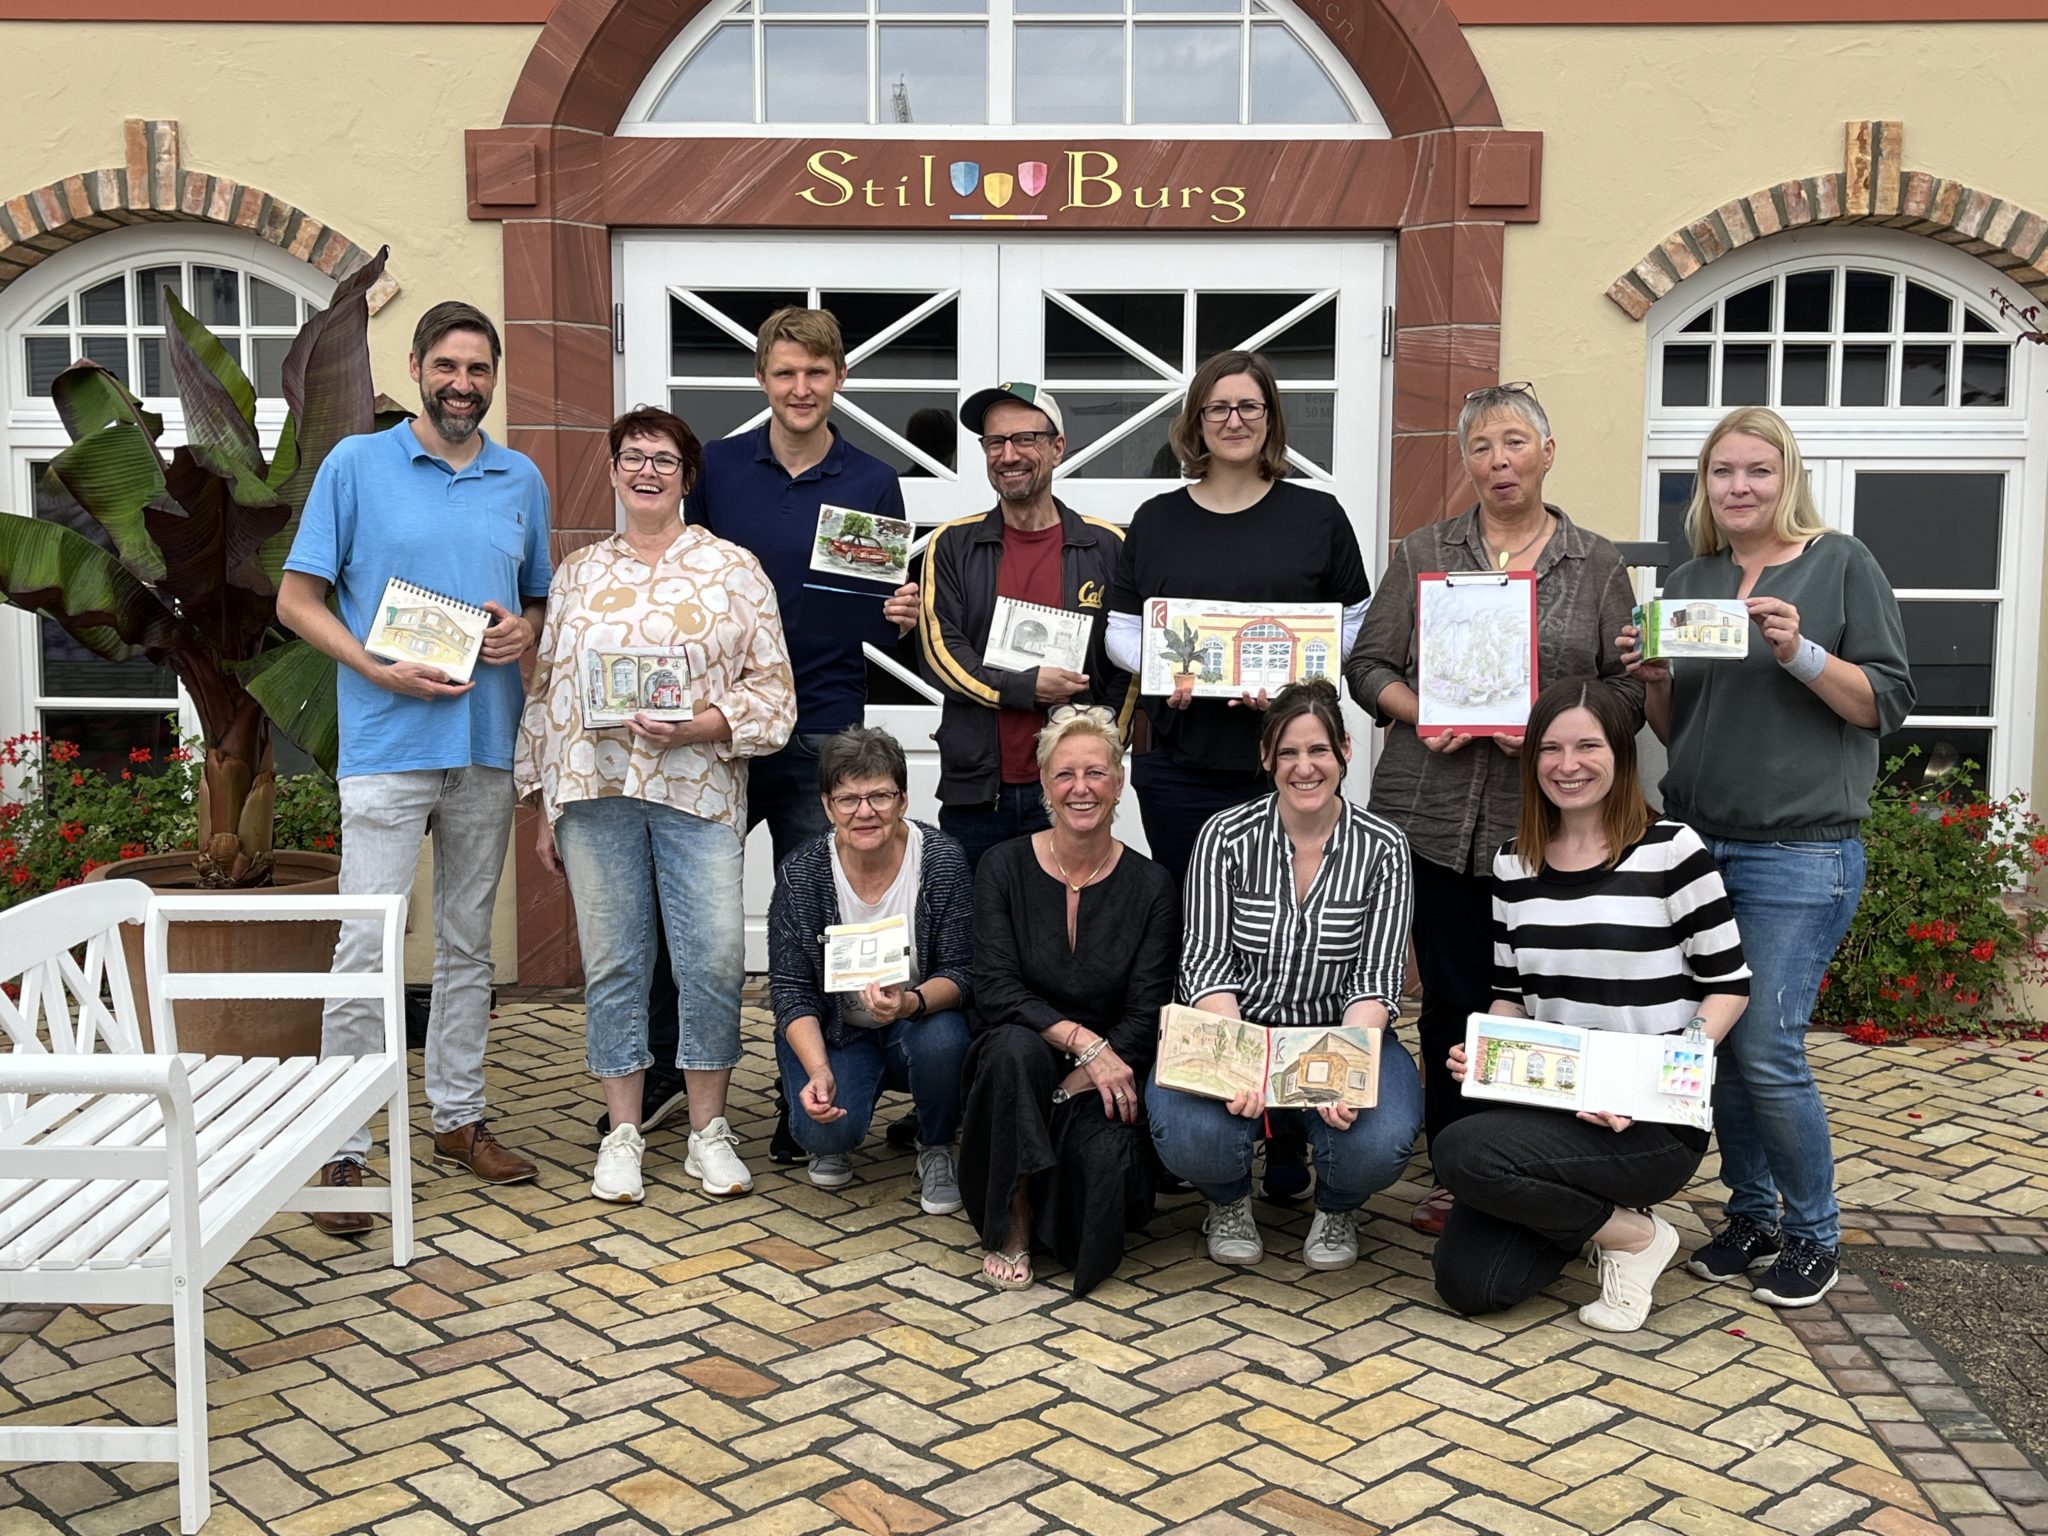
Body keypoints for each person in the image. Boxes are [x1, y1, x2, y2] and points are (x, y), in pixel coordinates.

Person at [609, 307, 918, 1159]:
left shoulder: (873, 482)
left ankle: (812, 1091)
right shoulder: (719, 471)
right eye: (785, 373)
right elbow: (673, 568)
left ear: (840, 379)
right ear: (762, 379)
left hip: (822, 727)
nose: (801, 389)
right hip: (712, 729)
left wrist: (904, 613)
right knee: (684, 910)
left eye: (816, 374)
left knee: (819, 916)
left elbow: (884, 623)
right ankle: (672, 1070)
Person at [1620, 406, 1912, 1307]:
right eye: (1722, 473)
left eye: (1757, 471)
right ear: (1703, 485)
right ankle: (1749, 1216)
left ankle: (1813, 1232)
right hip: (1698, 842)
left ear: (1787, 477)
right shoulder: (1697, 577)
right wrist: (1658, 683)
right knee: (1722, 1044)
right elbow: (1683, 733)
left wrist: (1801, 650)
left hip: (1801, 850)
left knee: (1770, 1047)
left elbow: (1886, 705)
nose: (1739, 487)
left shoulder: (1841, 562)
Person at [1344, 380, 1643, 1237]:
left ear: (1548, 453)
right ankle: (1454, 1167)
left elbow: (1625, 691)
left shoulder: (1597, 563)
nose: (1498, 461)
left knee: (1546, 997)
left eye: (1515, 443)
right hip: (1434, 816)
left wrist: (1554, 729)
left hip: (1549, 824)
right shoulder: (1422, 550)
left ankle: (1539, 1159)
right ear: (1466, 461)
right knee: (1451, 998)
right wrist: (1419, 711)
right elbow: (1369, 664)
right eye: (1481, 447)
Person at [278, 300, 553, 1231]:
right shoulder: (356, 464)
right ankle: (343, 1145)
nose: (463, 385)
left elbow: (537, 603)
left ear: (494, 376)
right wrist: (371, 663)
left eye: (479, 370)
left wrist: (527, 630)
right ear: (418, 366)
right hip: (387, 748)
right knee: (367, 943)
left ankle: (460, 1119)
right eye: (448, 367)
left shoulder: (521, 478)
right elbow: (296, 600)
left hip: (483, 744)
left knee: (469, 945)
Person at [516, 406, 795, 1203]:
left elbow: (773, 694)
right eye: (633, 457)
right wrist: (543, 803)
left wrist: (700, 726)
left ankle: (709, 1130)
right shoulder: (577, 575)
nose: (647, 470)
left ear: (687, 476)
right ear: (611, 472)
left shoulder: (734, 570)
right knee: (614, 966)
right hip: (595, 797)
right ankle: (625, 1132)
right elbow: (549, 696)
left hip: (696, 789)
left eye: (664, 459)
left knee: (708, 961)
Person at [1430, 678, 1750, 1331]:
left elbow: (1729, 986)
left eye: (1586, 746)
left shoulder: (1672, 852)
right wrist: (1487, 1047)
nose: (1567, 765)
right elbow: (1512, 996)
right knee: (1472, 1286)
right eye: (1550, 748)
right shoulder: (1514, 866)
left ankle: (1631, 1235)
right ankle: (1613, 1227)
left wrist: (1651, 1083)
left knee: (1462, 1151)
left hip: (1649, 1123)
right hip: (1555, 1105)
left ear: (1620, 754)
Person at [1146, 680, 1420, 1271]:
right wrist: (1237, 1063)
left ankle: (1338, 1204)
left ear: (1345, 750)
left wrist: (1342, 1073)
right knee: (1186, 1132)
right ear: (1267, 759)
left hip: (1338, 1033)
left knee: (1382, 1139)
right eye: (1288, 753)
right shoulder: (1224, 836)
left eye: (1319, 750)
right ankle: (1227, 1200)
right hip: (1241, 1028)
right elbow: (1207, 961)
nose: (1304, 768)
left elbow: (1375, 978)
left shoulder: (1385, 846)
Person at [1106, 350, 1373, 888]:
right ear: (1196, 423)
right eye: (1218, 408)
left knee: (1289, 918)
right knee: (1189, 919)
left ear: (1270, 419)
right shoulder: (1157, 521)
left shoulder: (1319, 517)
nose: (1234, 421)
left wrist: (1294, 684)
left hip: (1293, 768)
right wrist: (1168, 671)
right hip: (1180, 769)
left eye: (1250, 407)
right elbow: (1121, 628)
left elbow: (1355, 622)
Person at [958, 706, 1179, 1294]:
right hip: (1021, 1050)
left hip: (1109, 1068)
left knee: (1099, 1196)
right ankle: (1015, 1218)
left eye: (1096, 773)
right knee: (1011, 1053)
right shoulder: (1001, 867)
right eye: (1065, 775)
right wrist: (1085, 1046)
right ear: (1043, 783)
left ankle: (1060, 1193)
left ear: (1120, 782)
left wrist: (1090, 1073)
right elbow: (997, 988)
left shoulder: (1153, 886)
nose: (1081, 789)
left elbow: (1149, 1005)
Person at [920, 382, 1135, 873]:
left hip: (1072, 794)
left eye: (1025, 439)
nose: (1008, 455)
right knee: (976, 939)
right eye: (995, 443)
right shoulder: (951, 544)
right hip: (979, 792)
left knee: (1070, 935)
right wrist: (1023, 688)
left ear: (1058, 447)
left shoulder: (1110, 547)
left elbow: (1131, 662)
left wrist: (1102, 746)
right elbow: (941, 652)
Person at [767, 726, 973, 1212]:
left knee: (945, 1037)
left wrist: (911, 1002)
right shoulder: (803, 873)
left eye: (879, 796)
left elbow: (964, 972)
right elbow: (792, 991)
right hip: (840, 1032)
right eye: (848, 799)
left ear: (902, 798)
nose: (865, 812)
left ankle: (936, 1142)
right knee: (824, 1133)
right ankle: (838, 1120)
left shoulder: (940, 859)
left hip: (915, 1025)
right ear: (826, 805)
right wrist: (817, 1070)